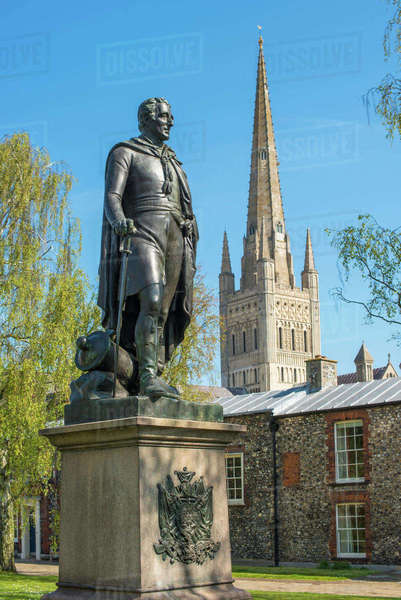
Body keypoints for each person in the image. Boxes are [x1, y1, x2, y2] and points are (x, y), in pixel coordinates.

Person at [98, 97, 198, 399]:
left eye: (170, 116)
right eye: (165, 116)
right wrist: (119, 221)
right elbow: (112, 197)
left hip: (174, 237)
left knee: (164, 312)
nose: (171, 122)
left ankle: (147, 372)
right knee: (151, 300)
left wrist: (190, 224)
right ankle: (147, 377)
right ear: (146, 118)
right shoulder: (125, 152)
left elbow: (184, 203)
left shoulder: (173, 160)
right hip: (142, 231)